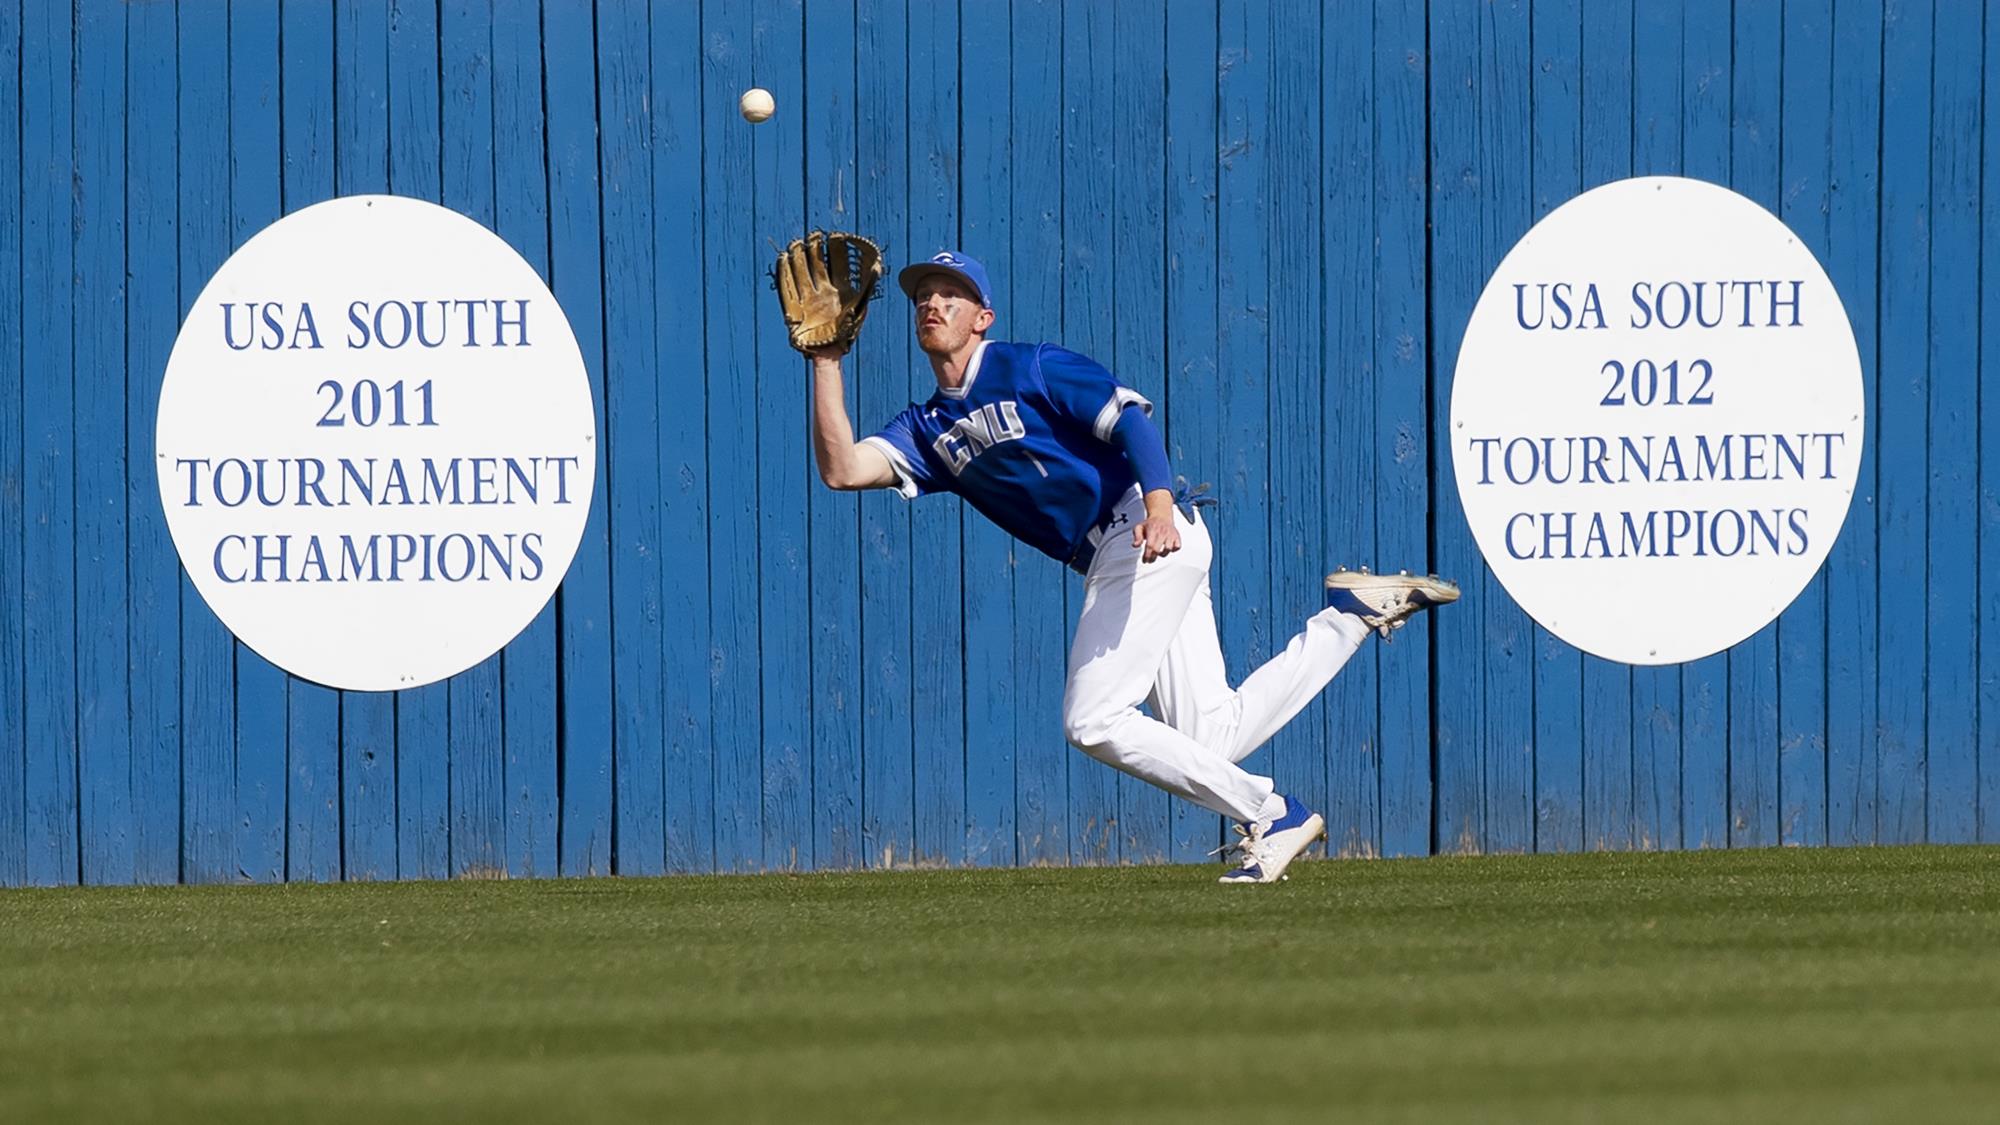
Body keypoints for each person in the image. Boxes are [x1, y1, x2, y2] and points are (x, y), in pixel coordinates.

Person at [804, 249, 1457, 883]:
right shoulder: (926, 429)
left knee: (1092, 718)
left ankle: (1272, 811)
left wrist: (1160, 504)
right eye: (923, 293)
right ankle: (1349, 618)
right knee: (1210, 735)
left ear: (984, 317)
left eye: (952, 292)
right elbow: (841, 469)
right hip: (1129, 547)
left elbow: (1131, 420)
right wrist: (827, 361)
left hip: (1141, 528)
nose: (932, 301)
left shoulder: (1028, 365)